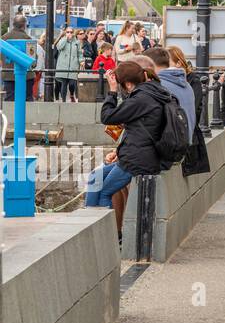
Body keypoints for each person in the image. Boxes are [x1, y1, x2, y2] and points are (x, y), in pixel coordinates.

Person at [84, 61, 170, 232]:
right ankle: (87, 225)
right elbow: (137, 127)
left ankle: (107, 238)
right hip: (136, 153)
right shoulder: (149, 92)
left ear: (128, 84)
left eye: (122, 86)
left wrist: (112, 90)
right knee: (95, 177)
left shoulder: (141, 99)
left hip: (138, 159)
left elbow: (107, 116)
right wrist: (119, 151)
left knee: (105, 193)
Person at [145, 46, 195, 137]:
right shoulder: (186, 84)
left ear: (150, 65)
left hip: (167, 146)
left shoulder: (158, 86)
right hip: (184, 142)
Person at [1, 14, 34, 103]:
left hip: (9, 75)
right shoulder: (27, 38)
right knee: (27, 99)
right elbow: (33, 59)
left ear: (13, 24)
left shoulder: (4, 38)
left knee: (10, 99)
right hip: (26, 76)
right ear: (24, 25)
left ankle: (9, 116)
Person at [55, 27, 82, 102]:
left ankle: (71, 94)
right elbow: (59, 47)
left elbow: (79, 53)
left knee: (72, 83)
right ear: (65, 33)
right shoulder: (62, 40)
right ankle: (63, 100)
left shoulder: (77, 42)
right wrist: (65, 38)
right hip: (63, 65)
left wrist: (81, 61)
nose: (69, 33)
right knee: (63, 84)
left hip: (73, 65)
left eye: (71, 32)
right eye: (68, 32)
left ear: (73, 33)